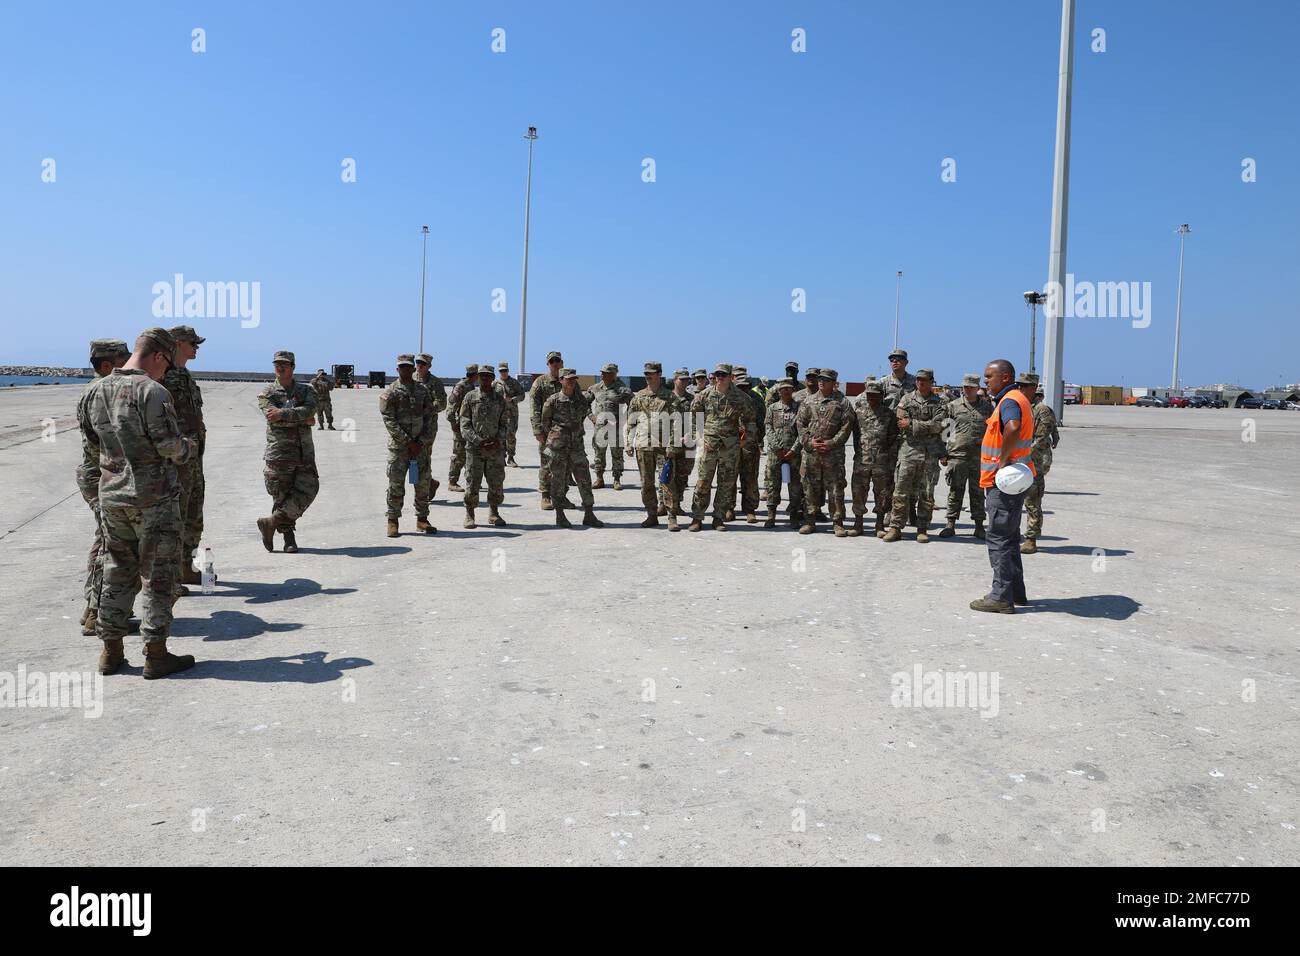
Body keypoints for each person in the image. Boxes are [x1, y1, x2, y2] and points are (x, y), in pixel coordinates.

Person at [81, 328, 196, 678]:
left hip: (112, 497)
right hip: (153, 498)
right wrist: (189, 446)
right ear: (159, 356)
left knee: (116, 572)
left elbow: (91, 446)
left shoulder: (95, 392)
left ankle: (110, 651)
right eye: (167, 364)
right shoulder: (152, 391)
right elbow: (169, 447)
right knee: (158, 576)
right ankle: (156, 653)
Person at [970, 358, 1035, 613]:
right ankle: (1015, 592)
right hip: (1014, 481)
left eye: (989, 377)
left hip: (1004, 483)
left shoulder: (1009, 401)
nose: (985, 381)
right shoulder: (1018, 398)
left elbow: (1013, 428)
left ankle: (1000, 597)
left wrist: (1003, 461)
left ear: (1005, 377)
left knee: (998, 538)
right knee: (1009, 537)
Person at [75, 338, 130, 637]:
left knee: (105, 540)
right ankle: (97, 612)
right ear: (107, 365)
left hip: (99, 474)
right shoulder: (101, 393)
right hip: (101, 477)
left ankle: (93, 608)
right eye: (123, 360)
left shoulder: (98, 390)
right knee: (111, 546)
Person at [256, 350, 319, 553]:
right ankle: (289, 538)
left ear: (293, 366)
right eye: (277, 364)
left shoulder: (306, 390)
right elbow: (271, 416)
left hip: (304, 452)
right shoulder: (267, 393)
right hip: (280, 452)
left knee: (310, 488)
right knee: (281, 496)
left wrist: (284, 414)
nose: (280, 367)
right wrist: (301, 418)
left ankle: (271, 522)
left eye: (284, 364)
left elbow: (311, 410)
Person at [164, 325, 207, 595]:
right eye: (193, 343)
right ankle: (169, 578)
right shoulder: (162, 376)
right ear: (178, 343)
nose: (196, 348)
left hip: (194, 459)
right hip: (175, 461)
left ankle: (185, 566)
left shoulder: (185, 375)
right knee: (174, 519)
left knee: (194, 515)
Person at [882, 368, 948, 542]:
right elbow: (900, 421)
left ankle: (922, 528)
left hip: (929, 455)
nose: (920, 382)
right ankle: (895, 527)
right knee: (900, 491)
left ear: (931, 381)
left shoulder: (939, 402)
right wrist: (926, 425)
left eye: (924, 380)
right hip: (908, 452)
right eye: (918, 379)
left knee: (926, 494)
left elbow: (940, 425)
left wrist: (912, 423)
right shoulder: (906, 399)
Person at [689, 363, 752, 531]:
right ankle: (697, 517)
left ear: (731, 376)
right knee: (703, 482)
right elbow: (694, 417)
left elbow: (750, 419)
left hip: (730, 448)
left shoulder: (740, 397)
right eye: (717, 374)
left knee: (726, 484)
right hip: (709, 445)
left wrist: (746, 439)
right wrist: (699, 437)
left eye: (723, 374)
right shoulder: (704, 395)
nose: (720, 377)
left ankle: (718, 517)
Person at [381, 354, 436, 536]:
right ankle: (393, 520)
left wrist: (421, 442)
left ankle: (422, 519)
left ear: (413, 369)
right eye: (401, 367)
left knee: (422, 484)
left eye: (408, 367)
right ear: (397, 370)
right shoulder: (391, 392)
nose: (405, 370)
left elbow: (430, 418)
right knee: (396, 485)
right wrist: (407, 441)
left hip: (419, 448)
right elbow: (389, 420)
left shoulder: (422, 391)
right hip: (399, 449)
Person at [542, 369, 603, 528]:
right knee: (558, 481)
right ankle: (560, 515)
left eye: (573, 379)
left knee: (584, 479)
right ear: (561, 380)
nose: (571, 382)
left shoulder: (581, 400)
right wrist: (557, 435)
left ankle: (589, 514)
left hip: (576, 446)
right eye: (568, 379)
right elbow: (545, 423)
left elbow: (584, 415)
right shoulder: (553, 400)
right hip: (558, 448)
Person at [796, 369, 853, 536]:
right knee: (809, 488)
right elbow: (800, 423)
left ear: (834, 382)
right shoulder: (809, 401)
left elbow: (846, 426)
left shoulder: (842, 402)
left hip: (832, 454)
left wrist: (831, 443)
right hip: (811, 453)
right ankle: (810, 521)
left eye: (826, 380)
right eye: (820, 379)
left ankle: (837, 522)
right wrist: (809, 441)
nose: (821, 382)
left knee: (835, 488)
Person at [625, 361, 680, 530]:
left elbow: (676, 423)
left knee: (667, 482)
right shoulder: (638, 396)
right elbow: (631, 422)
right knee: (646, 484)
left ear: (659, 374)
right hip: (643, 446)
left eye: (651, 373)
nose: (648, 376)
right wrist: (628, 443)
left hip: (663, 448)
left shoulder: (669, 397)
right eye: (646, 374)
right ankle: (651, 515)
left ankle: (671, 517)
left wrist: (672, 446)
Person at [939, 372, 993, 539]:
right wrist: (943, 453)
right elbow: (944, 431)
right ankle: (950, 524)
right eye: (965, 387)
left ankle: (979, 526)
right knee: (955, 491)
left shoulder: (987, 408)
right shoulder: (953, 406)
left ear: (978, 388)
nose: (967, 390)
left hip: (979, 456)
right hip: (957, 455)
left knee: (978, 492)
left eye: (971, 387)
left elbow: (993, 431)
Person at [459, 364, 511, 528]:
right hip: (475, 449)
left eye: (488, 376)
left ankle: (494, 513)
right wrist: (478, 441)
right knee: (473, 482)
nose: (485, 378)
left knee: (496, 482)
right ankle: (469, 514)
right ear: (478, 377)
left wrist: (498, 440)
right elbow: (464, 424)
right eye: (482, 376)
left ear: (493, 378)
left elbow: (505, 423)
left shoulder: (499, 399)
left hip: (495, 449)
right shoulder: (470, 397)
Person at [848, 378, 900, 538]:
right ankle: (858, 523)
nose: (871, 398)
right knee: (858, 491)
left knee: (882, 493)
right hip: (862, 459)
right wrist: (860, 451)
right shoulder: (859, 413)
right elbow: (856, 435)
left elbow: (893, 436)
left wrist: (886, 456)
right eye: (869, 395)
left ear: (882, 395)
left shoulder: (889, 414)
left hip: (882, 461)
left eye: (875, 395)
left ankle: (879, 524)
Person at [1019, 372, 1060, 554]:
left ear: (1033, 388)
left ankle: (1031, 538)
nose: (1020, 388)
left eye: (1024, 386)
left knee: (1032, 502)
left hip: (1031, 463)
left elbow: (1042, 439)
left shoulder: (1041, 410)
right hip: (1015, 462)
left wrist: (1024, 456)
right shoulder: (1019, 406)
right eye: (1018, 385)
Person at [529, 350, 569, 509]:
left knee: (565, 465)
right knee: (546, 463)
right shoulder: (540, 382)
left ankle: (562, 496)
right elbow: (534, 408)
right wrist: (537, 430)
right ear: (548, 364)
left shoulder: (568, 380)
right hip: (547, 433)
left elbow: (578, 403)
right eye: (552, 362)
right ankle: (545, 496)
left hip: (566, 432)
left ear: (562, 363)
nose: (555, 364)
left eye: (557, 361)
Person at [763, 379, 803, 528]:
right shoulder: (772, 408)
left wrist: (793, 449)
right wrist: (777, 448)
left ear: (792, 391)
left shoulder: (799, 408)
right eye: (783, 389)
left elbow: (803, 432)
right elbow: (769, 429)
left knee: (795, 486)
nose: (786, 391)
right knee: (773, 485)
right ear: (778, 391)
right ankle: (771, 515)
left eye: (788, 389)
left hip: (794, 455)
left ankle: (794, 516)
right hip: (776, 454)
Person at [586, 363, 632, 489]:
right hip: (600, 427)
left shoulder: (622, 389)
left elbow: (633, 405)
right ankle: (599, 478)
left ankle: (617, 479)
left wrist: (624, 419)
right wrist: (592, 417)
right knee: (598, 453)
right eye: (602, 372)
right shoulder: (595, 388)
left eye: (606, 373)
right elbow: (584, 403)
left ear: (614, 374)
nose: (602, 375)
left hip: (615, 428)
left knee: (617, 454)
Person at [732, 368, 765, 522]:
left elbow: (763, 423)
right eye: (740, 386)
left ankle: (750, 509)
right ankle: (728, 508)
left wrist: (757, 439)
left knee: (750, 478)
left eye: (745, 386)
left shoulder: (756, 400)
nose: (743, 389)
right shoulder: (729, 398)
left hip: (750, 445)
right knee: (729, 478)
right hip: (731, 445)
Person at [413, 353, 448, 499]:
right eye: (418, 363)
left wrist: (424, 408)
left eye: (423, 364)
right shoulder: (411, 378)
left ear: (429, 366)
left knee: (424, 459)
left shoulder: (435, 383)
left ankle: (422, 491)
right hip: (411, 427)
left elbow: (442, 403)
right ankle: (427, 484)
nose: (419, 366)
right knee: (412, 460)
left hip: (427, 428)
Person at [445, 362, 479, 492]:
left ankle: (469, 478)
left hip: (469, 426)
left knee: (469, 453)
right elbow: (451, 406)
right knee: (459, 454)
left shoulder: (470, 386)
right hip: (460, 426)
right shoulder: (461, 386)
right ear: (475, 375)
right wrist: (453, 423)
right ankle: (452, 481)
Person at [669, 368, 696, 515]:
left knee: (682, 475)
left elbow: (697, 421)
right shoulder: (667, 398)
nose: (685, 382)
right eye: (682, 379)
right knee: (667, 474)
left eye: (687, 379)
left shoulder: (692, 399)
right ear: (675, 380)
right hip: (669, 444)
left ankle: (677, 504)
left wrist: (690, 435)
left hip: (688, 444)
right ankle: (664, 504)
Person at [495, 361, 526, 467]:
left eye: (505, 370)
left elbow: (522, 395)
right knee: (500, 436)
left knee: (511, 435)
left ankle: (511, 457)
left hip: (512, 413)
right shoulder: (495, 383)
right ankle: (502, 457)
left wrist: (512, 400)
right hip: (499, 414)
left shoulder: (514, 383)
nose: (503, 372)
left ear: (508, 371)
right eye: (501, 371)